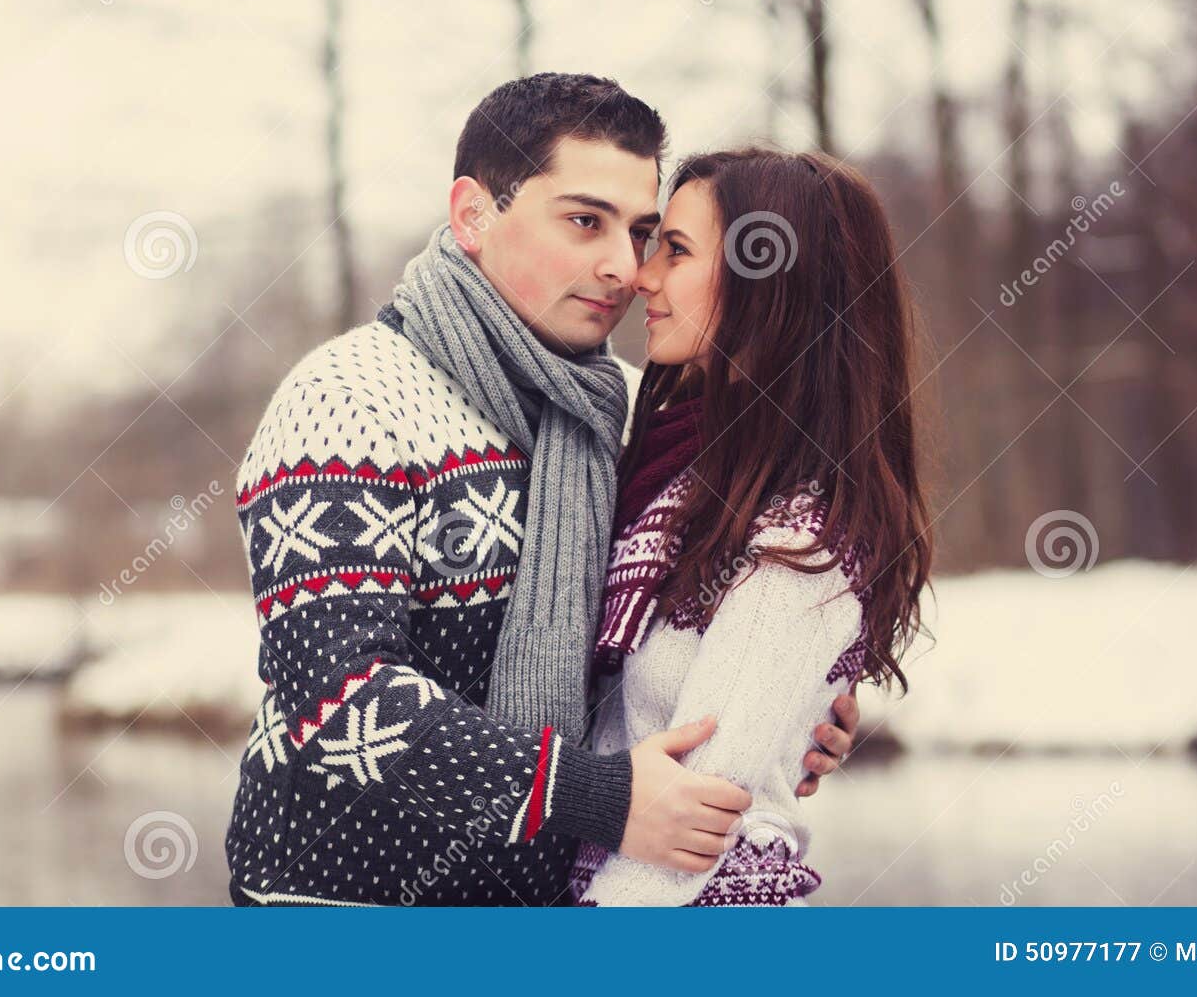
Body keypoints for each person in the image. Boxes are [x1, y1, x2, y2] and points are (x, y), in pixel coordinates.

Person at [225, 75, 860, 906]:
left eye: (641, 232)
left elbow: (676, 628)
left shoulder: (627, 413)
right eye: (585, 221)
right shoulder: (351, 400)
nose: (624, 266)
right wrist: (602, 797)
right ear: (473, 214)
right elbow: (340, 700)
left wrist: (791, 706)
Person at [570, 147, 933, 905]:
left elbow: (692, 837)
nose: (641, 276)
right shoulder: (666, 466)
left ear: (768, 286)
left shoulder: (800, 544)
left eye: (675, 250)